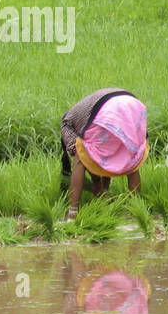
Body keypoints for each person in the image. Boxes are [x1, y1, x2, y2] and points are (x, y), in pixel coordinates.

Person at [60, 89, 147, 218]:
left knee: (80, 157)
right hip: (132, 106)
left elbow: (85, 156)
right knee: (131, 154)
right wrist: (101, 186)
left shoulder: (66, 124)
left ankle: (72, 213)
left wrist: (96, 183)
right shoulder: (82, 117)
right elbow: (105, 155)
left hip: (107, 110)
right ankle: (136, 212)